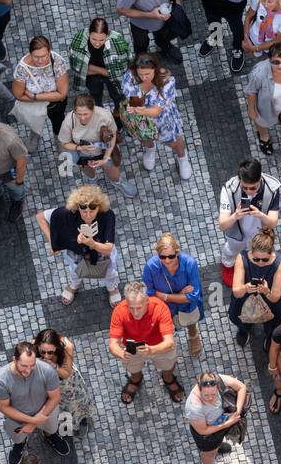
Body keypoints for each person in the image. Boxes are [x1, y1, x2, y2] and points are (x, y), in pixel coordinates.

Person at [36, 186, 119, 308]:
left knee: (109, 272)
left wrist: (93, 244)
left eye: (92, 211)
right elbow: (40, 217)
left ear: (99, 207)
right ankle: (74, 285)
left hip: (103, 254)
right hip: (75, 254)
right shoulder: (67, 213)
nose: (88, 215)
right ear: (77, 207)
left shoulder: (107, 215)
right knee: (75, 271)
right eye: (84, 211)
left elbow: (108, 248)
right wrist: (53, 242)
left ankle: (112, 288)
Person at [0, 341, 67, 464]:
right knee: (18, 437)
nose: (28, 370)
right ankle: (20, 444)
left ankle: (50, 435)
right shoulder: (1, 379)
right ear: (14, 359)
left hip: (45, 411)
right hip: (17, 418)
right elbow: (4, 407)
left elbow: (54, 398)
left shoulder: (47, 370)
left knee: (51, 428)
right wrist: (33, 421)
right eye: (24, 366)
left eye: (32, 365)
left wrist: (33, 422)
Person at [119, 53, 191, 181]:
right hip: (141, 120)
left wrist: (138, 110)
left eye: (148, 74)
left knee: (175, 142)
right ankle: (150, 149)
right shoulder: (129, 76)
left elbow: (156, 111)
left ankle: (182, 158)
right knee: (144, 135)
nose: (144, 77)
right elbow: (131, 96)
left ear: (155, 70)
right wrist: (138, 108)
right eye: (140, 74)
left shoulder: (167, 81)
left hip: (162, 120)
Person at [108, 282, 181, 405]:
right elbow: (112, 345)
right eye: (131, 308)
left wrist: (152, 350)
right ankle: (136, 379)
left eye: (139, 307)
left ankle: (168, 378)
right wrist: (121, 353)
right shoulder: (119, 311)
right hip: (131, 348)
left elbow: (169, 342)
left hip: (159, 346)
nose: (135, 313)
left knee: (168, 365)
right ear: (126, 303)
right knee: (132, 367)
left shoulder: (160, 308)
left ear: (147, 300)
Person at [58, 95, 136, 200]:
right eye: (78, 114)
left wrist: (106, 157)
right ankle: (92, 179)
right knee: (86, 167)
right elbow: (64, 143)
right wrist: (79, 148)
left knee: (113, 172)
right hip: (83, 152)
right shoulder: (69, 121)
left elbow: (112, 136)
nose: (82, 118)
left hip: (104, 149)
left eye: (86, 114)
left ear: (93, 109)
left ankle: (117, 181)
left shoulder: (104, 116)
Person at [183, 370, 248, 464]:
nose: (211, 398)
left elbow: (241, 387)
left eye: (214, 394)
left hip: (223, 421)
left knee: (215, 446)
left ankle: (217, 447)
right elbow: (202, 430)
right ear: (199, 388)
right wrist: (228, 423)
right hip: (208, 434)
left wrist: (237, 411)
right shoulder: (194, 406)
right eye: (206, 396)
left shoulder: (219, 380)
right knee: (208, 454)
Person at [218, 158, 281, 284]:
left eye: (253, 188)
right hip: (236, 231)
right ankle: (227, 264)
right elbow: (222, 225)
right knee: (232, 249)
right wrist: (235, 215)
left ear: (260, 179)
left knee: (260, 253)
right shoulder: (229, 189)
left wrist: (260, 215)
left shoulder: (272, 189)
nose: (249, 191)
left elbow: (273, 222)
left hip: (260, 232)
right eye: (245, 187)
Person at [143, 233, 205, 358]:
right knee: (165, 327)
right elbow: (150, 295)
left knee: (190, 321)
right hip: (164, 307)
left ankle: (193, 335)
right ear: (157, 254)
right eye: (163, 257)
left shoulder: (189, 263)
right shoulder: (150, 267)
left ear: (177, 252)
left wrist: (165, 297)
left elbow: (193, 296)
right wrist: (180, 295)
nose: (167, 261)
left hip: (185, 306)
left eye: (171, 256)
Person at [227, 229, 281, 348]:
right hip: (246, 296)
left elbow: (275, 297)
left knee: (274, 321)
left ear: (271, 253)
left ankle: (270, 335)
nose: (260, 262)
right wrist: (245, 288)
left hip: (269, 298)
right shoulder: (242, 258)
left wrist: (267, 292)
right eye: (256, 259)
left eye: (265, 259)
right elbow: (236, 291)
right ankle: (244, 330)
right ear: (251, 252)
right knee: (242, 316)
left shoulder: (280, 263)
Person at [10, 36, 69, 153]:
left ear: (49, 51)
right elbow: (18, 95)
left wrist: (35, 96)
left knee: (58, 122)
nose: (41, 60)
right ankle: (34, 135)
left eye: (44, 56)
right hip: (33, 106)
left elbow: (62, 94)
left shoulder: (57, 61)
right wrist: (51, 95)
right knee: (34, 122)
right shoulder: (22, 69)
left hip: (54, 104)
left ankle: (59, 139)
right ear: (30, 54)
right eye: (36, 57)